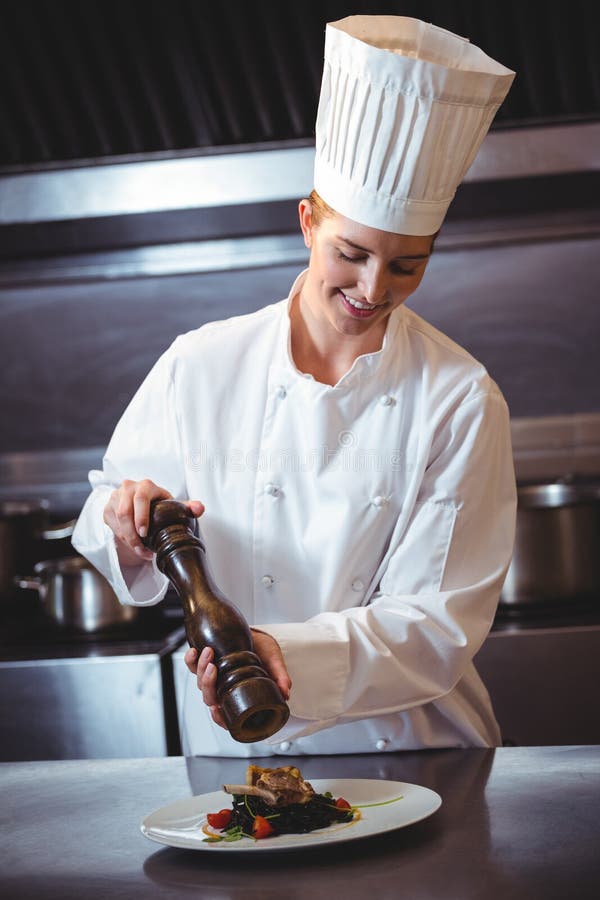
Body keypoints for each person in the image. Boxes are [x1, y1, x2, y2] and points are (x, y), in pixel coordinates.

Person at [72, 15, 517, 756]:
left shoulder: (460, 397)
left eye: (407, 264)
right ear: (307, 223)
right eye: (352, 252)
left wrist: (289, 656)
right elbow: (106, 506)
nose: (374, 288)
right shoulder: (202, 364)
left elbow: (438, 624)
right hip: (235, 746)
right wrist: (124, 527)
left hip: (413, 752)